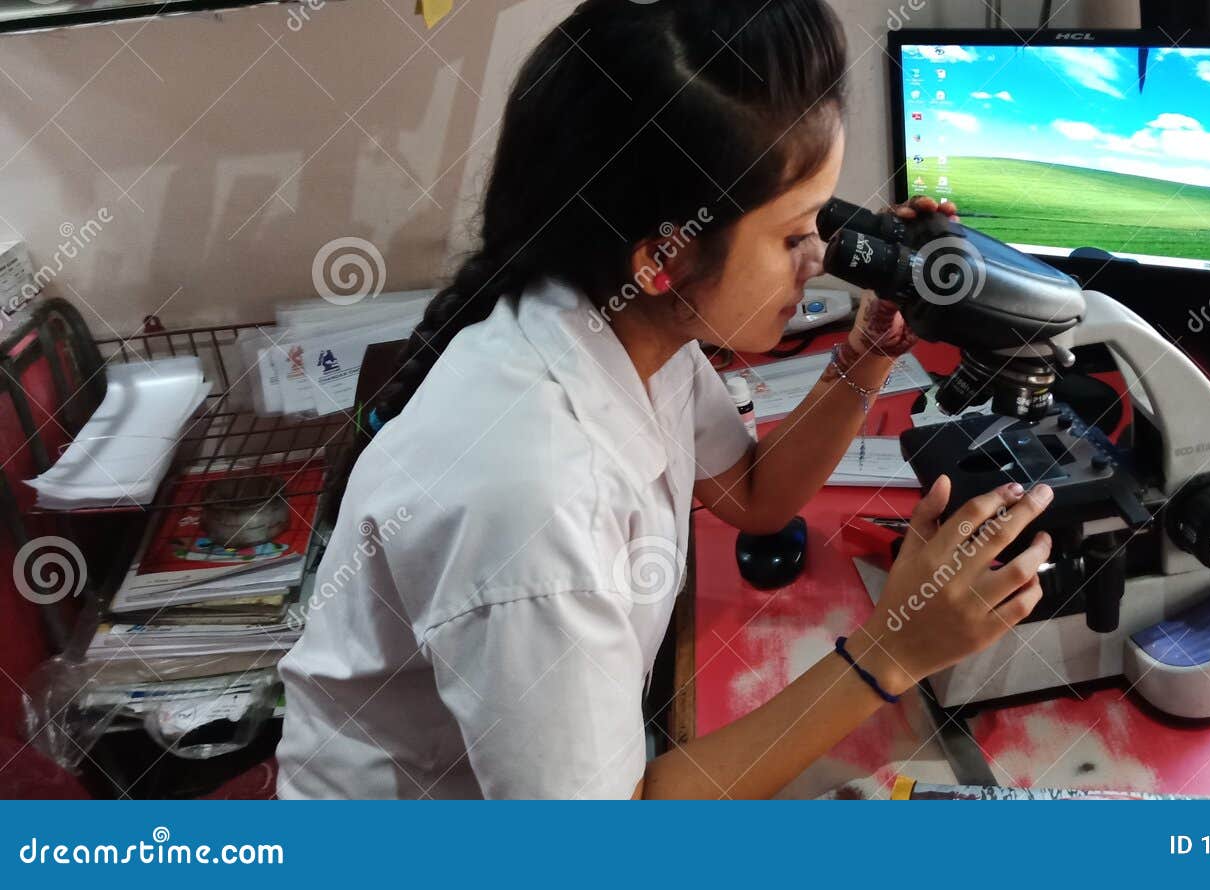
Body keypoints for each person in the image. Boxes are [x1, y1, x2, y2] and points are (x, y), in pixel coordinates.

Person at [275, 0, 1053, 799]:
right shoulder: (530, 500)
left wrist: (867, 350)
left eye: (824, 222)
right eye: (793, 235)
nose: (821, 258)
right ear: (663, 260)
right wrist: (890, 652)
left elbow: (754, 496)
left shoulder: (621, 322)